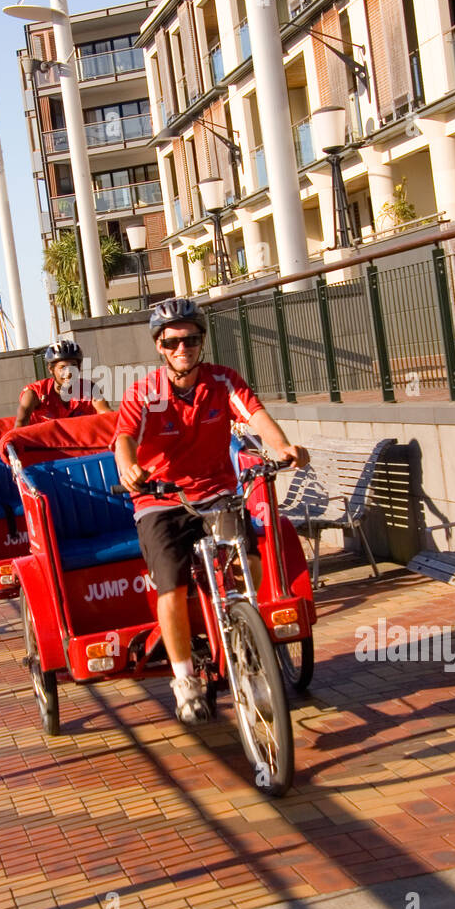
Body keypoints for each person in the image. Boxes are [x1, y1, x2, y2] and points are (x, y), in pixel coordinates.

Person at [114, 298, 309, 724]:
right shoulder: (145, 392)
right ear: (159, 346)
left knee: (249, 562)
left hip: (218, 493)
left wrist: (283, 447)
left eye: (190, 339)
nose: (182, 348)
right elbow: (124, 437)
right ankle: (184, 679)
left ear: (202, 341)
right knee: (172, 587)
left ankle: (245, 637)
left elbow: (255, 413)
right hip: (161, 501)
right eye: (172, 341)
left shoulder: (222, 381)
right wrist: (129, 469)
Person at [14, 340, 111, 428]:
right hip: (45, 445)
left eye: (73, 366)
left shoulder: (90, 389)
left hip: (82, 443)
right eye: (62, 367)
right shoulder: (35, 392)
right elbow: (21, 423)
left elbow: (106, 414)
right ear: (51, 369)